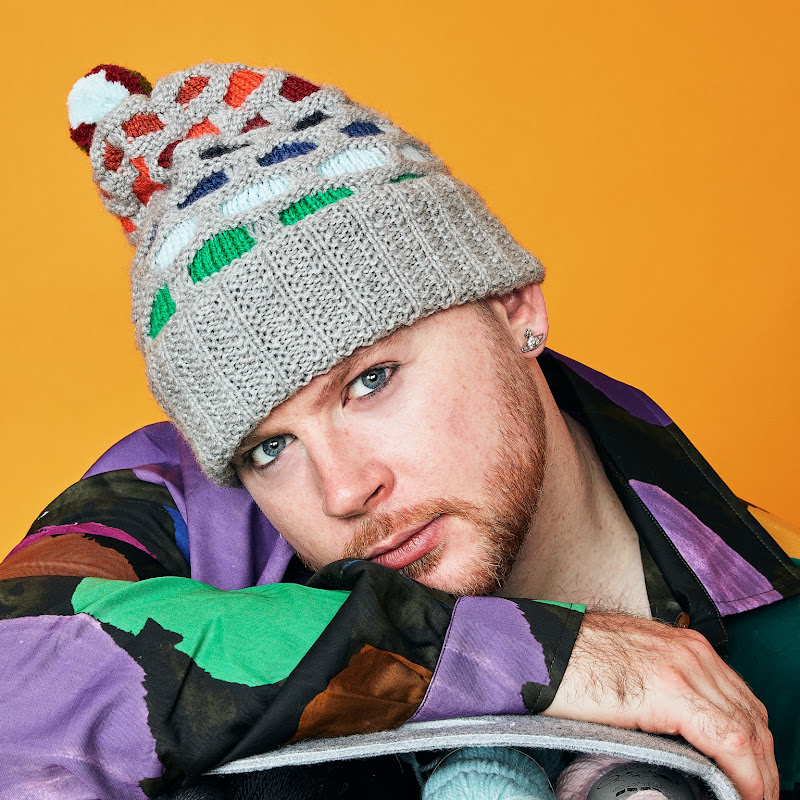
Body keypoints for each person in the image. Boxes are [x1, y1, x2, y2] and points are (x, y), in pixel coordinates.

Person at [0, 61, 797, 800]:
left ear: (514, 308)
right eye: (269, 448)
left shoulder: (783, 636)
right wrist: (539, 654)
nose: (344, 492)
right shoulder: (184, 511)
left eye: (371, 380)